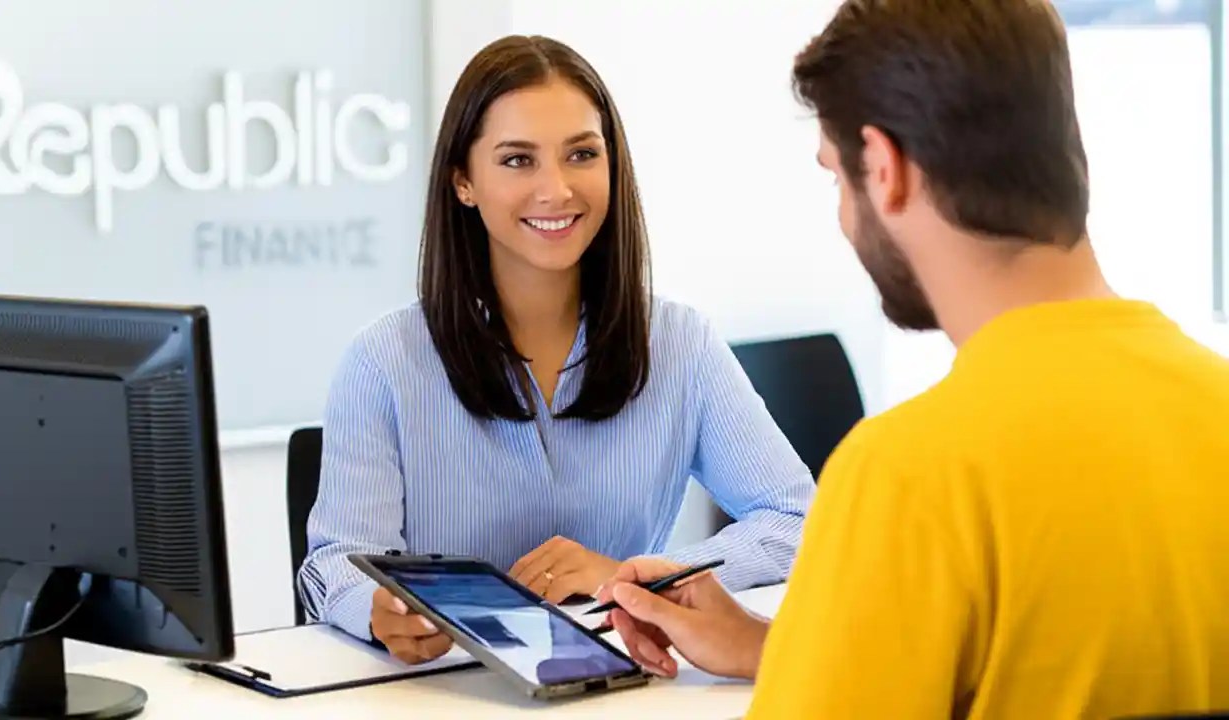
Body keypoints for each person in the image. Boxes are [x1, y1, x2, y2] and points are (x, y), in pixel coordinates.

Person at [597, 1, 1229, 717]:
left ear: (886, 168)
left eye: (837, 176)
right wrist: (778, 646)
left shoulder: (909, 477)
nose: (842, 213)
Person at [296, 35, 816, 664]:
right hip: (445, 695)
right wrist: (378, 612)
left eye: (581, 154)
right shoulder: (384, 362)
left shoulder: (681, 345)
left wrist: (634, 577)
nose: (557, 189)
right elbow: (336, 564)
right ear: (464, 181)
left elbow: (797, 522)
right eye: (518, 160)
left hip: (624, 690)